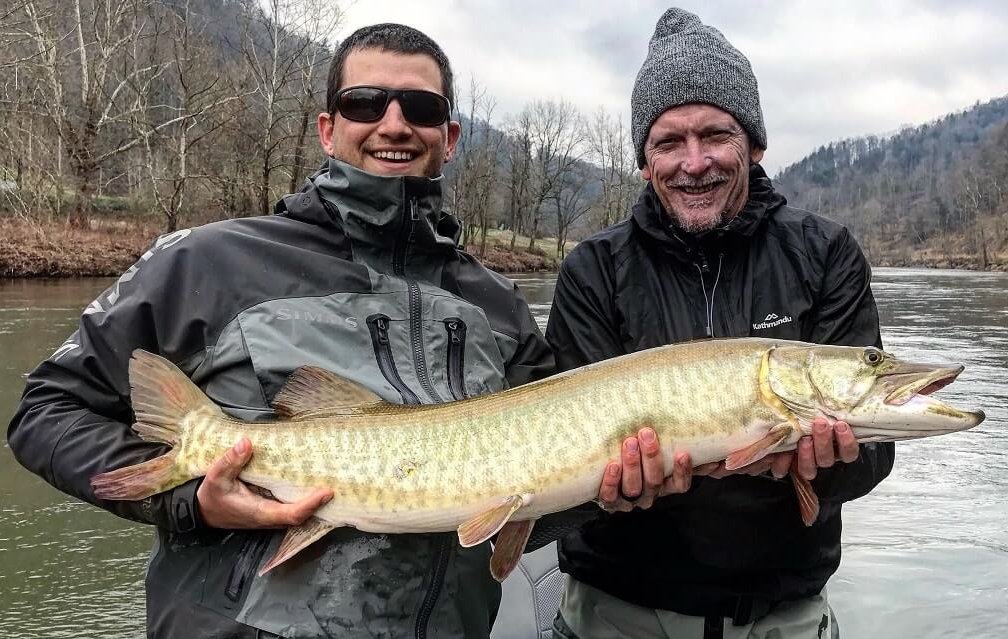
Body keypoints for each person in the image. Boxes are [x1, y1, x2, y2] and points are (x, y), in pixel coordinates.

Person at [7, 23, 695, 639]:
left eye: (421, 109)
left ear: (449, 138)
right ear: (328, 128)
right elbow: (45, 412)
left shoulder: (498, 305)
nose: (394, 124)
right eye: (367, 103)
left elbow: (524, 495)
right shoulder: (206, 261)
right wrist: (191, 500)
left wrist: (607, 491)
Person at [546, 8, 895, 639]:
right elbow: (567, 469)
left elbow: (871, 455)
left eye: (716, 135)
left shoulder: (825, 253)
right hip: (616, 612)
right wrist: (614, 489)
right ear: (644, 160)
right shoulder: (594, 268)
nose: (695, 162)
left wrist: (822, 463)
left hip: (780, 616)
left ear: (755, 145)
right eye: (669, 143)